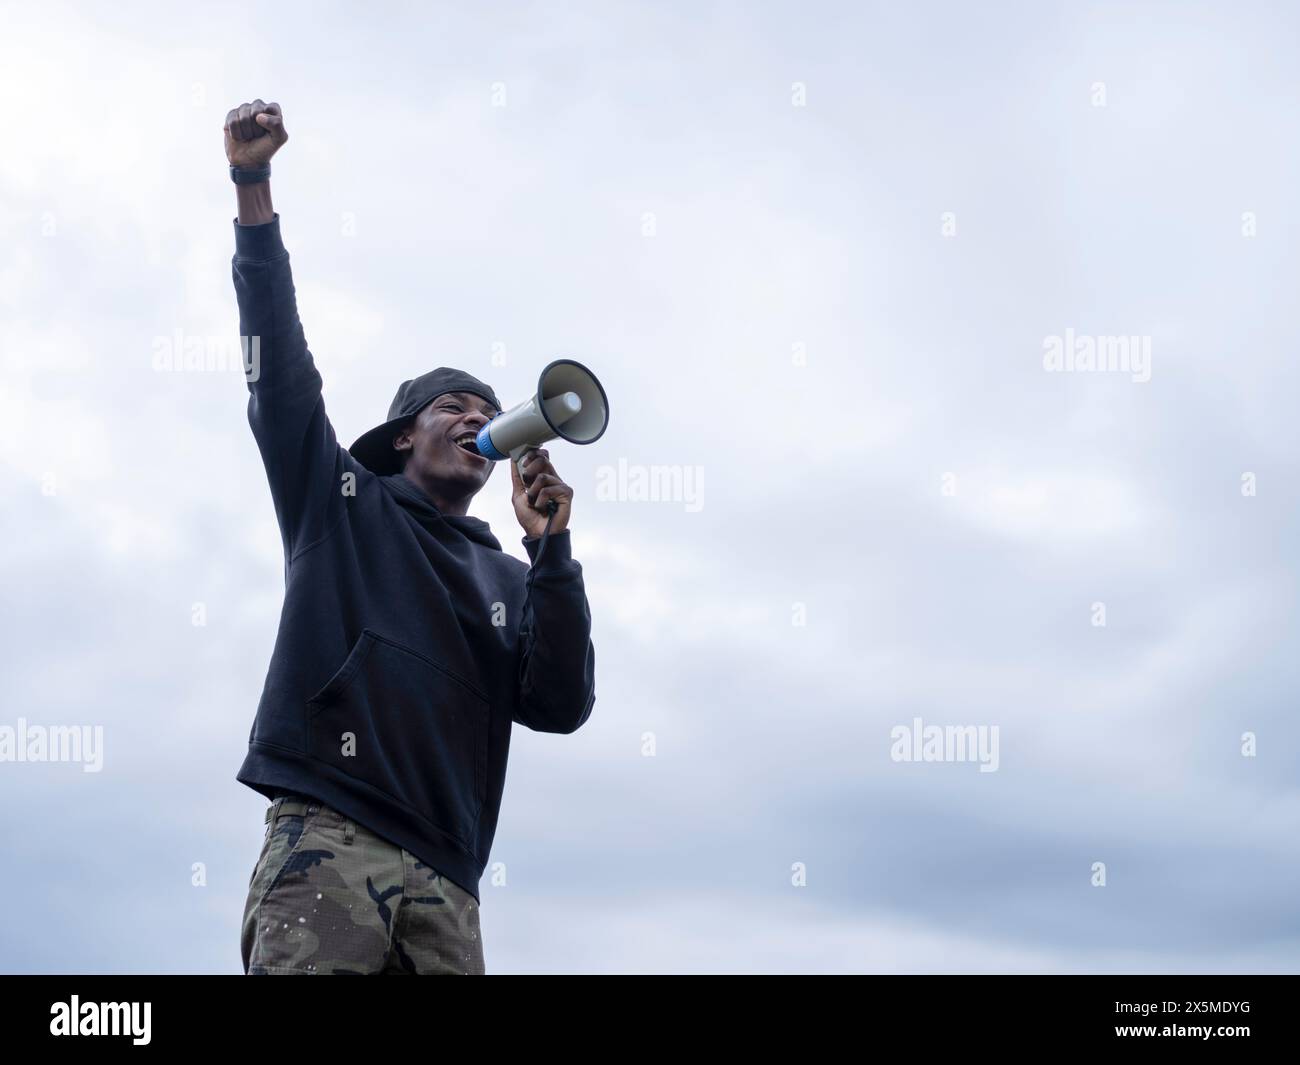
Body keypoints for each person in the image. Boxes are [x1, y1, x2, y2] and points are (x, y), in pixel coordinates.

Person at [225, 99, 597, 974]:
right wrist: (253, 186)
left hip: (451, 880)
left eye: (489, 412)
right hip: (330, 834)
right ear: (404, 435)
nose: (478, 421)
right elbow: (277, 366)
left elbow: (561, 704)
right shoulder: (339, 499)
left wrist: (551, 552)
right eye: (453, 409)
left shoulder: (509, 575)